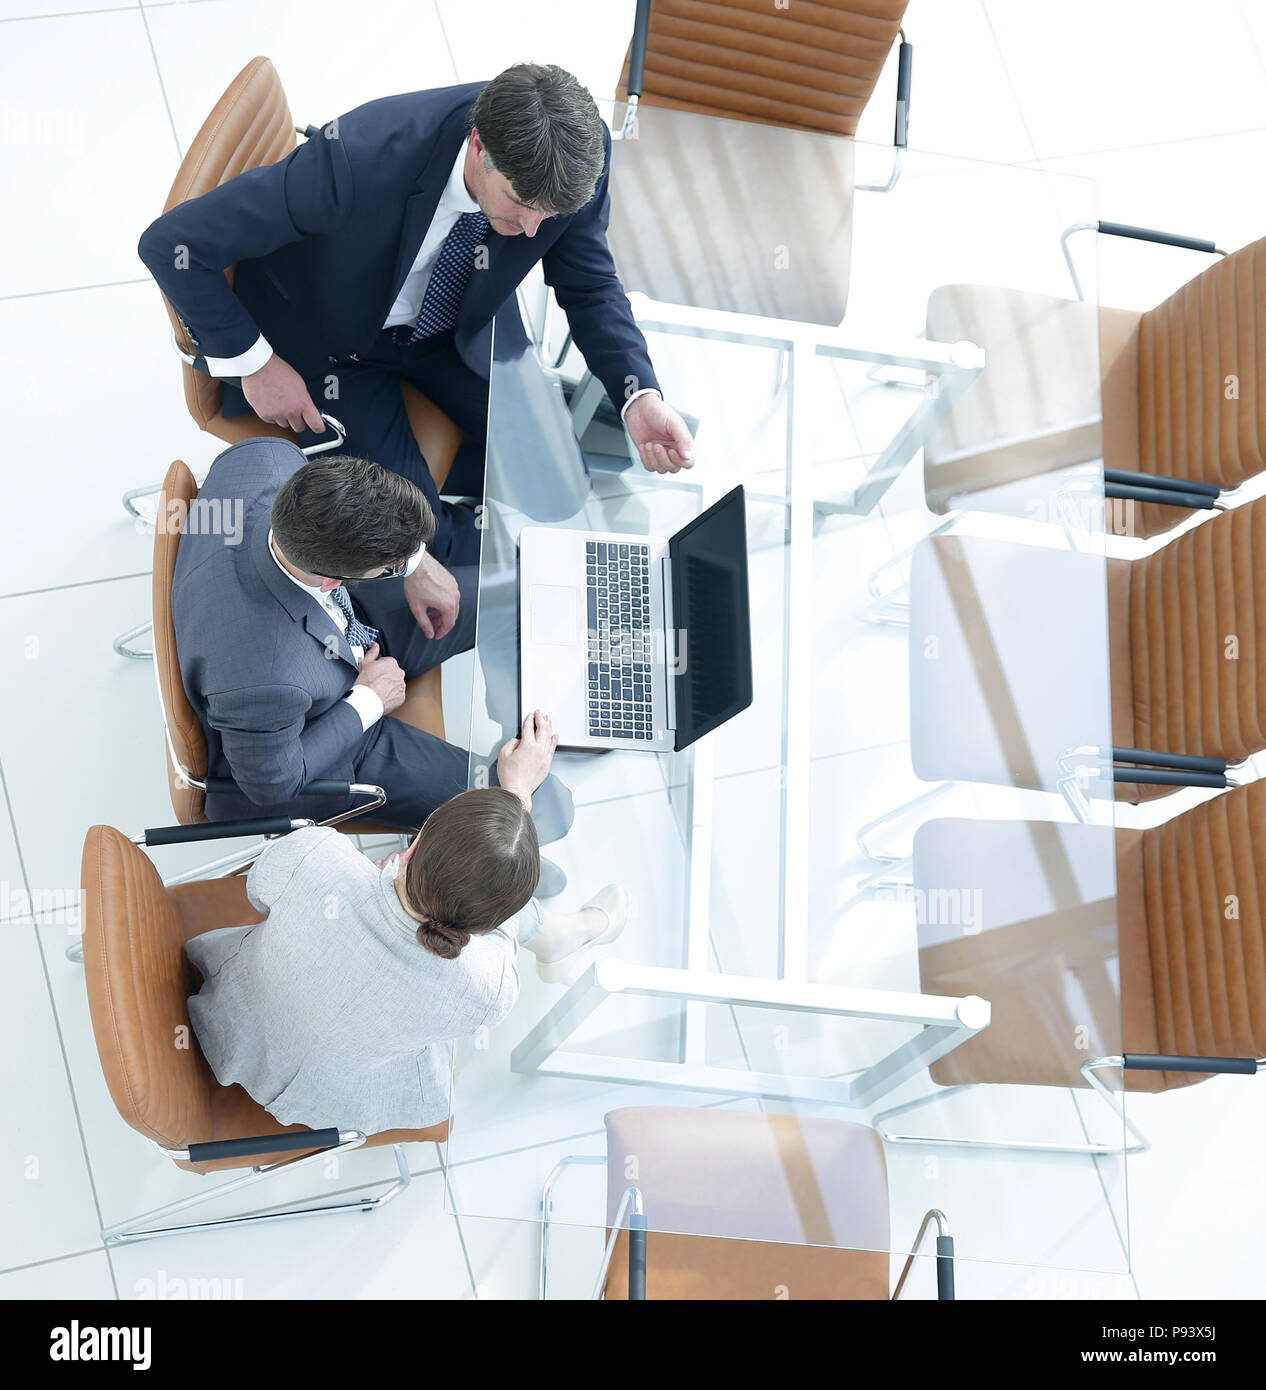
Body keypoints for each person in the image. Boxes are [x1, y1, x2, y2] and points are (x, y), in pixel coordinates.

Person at [139, 62, 696, 569]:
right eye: (521, 206)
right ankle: (443, 565)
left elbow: (588, 281)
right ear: (479, 144)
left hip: (454, 329)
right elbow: (170, 244)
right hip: (332, 353)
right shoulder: (358, 158)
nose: (534, 230)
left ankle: (475, 537)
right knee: (419, 540)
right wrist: (256, 364)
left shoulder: (577, 158)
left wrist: (637, 394)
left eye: (549, 217)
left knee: (560, 489)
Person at [186, 716, 631, 1134]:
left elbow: (257, 892)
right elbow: (496, 933)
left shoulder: (316, 855)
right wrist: (517, 797)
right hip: (329, 1101)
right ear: (489, 928)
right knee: (494, 904)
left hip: (230, 1021)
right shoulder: (488, 987)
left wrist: (513, 799)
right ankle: (565, 934)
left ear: (418, 838)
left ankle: (562, 933)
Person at [171, 434, 571, 859]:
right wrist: (368, 699)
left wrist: (414, 563)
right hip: (325, 727)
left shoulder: (267, 457)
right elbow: (271, 785)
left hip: (346, 621)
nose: (403, 567)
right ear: (333, 580)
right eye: (391, 568)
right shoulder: (263, 680)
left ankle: (528, 720)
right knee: (545, 807)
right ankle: (494, 868)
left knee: (519, 601)